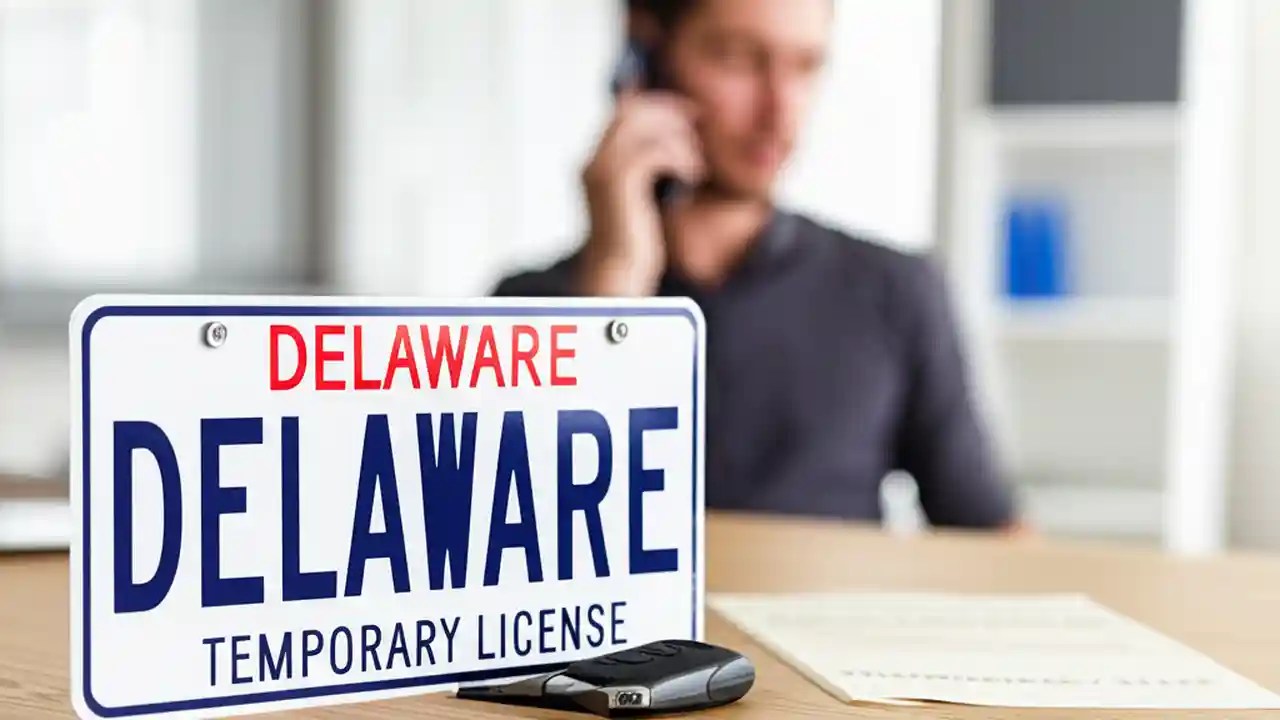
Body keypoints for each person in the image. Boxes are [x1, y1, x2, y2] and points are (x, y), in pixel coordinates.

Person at [494, 0, 1018, 529]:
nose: (780, 111)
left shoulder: (894, 290)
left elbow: (997, 545)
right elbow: (519, 552)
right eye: (738, 59)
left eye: (806, 66)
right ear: (646, 52)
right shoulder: (528, 308)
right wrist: (612, 289)